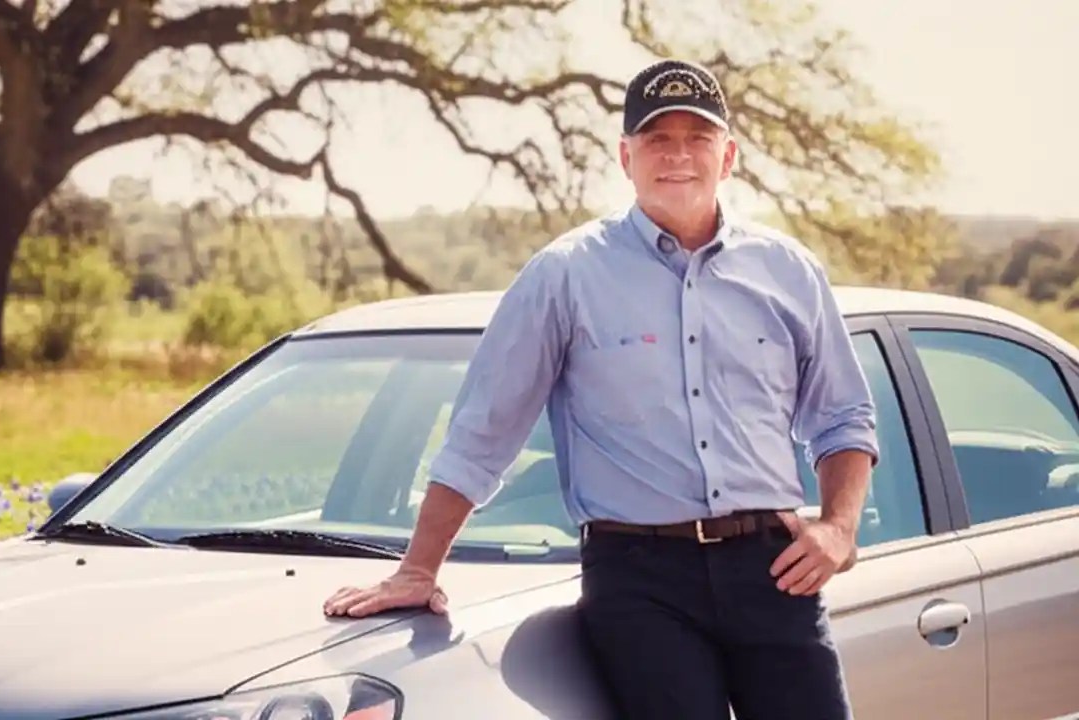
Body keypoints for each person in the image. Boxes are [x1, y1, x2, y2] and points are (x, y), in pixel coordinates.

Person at [323, 58, 877, 720]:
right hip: (641, 583)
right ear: (625, 156)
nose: (677, 156)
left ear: (728, 155)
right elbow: (483, 433)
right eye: (656, 140)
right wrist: (419, 569)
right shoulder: (564, 275)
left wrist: (839, 527)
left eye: (697, 138)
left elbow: (843, 416)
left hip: (774, 569)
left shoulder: (790, 272)